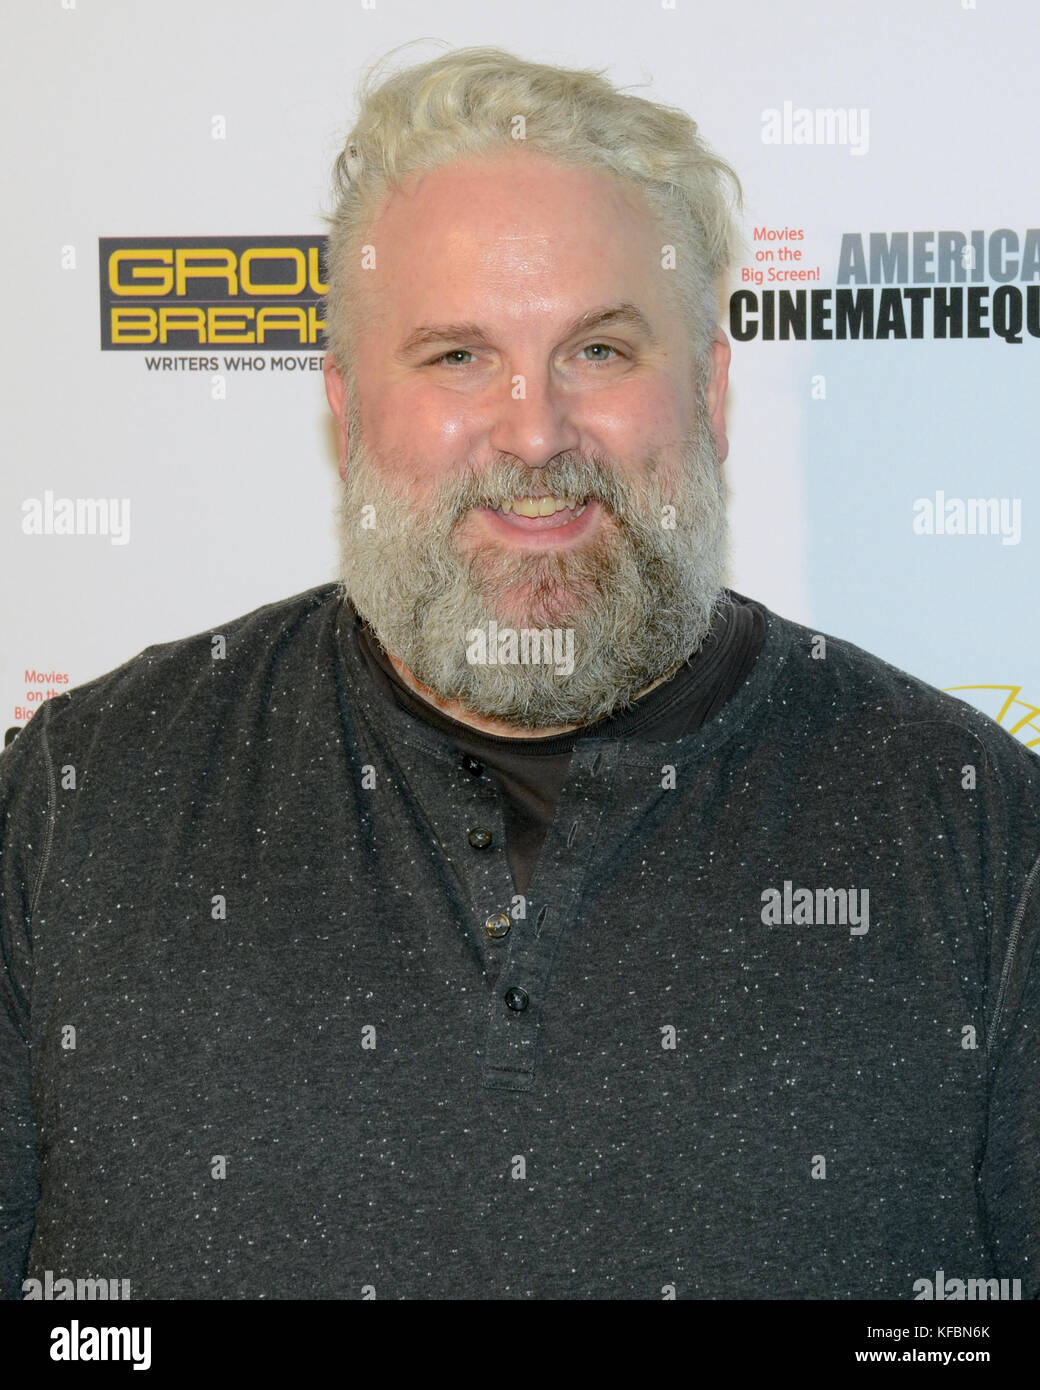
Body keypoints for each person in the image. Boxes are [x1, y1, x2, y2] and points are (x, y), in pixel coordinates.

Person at [2, 44, 1038, 1302]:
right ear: (344, 411)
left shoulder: (979, 831)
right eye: (454, 358)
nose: (535, 433)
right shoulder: (77, 800)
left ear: (708, 391)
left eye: (598, 351)